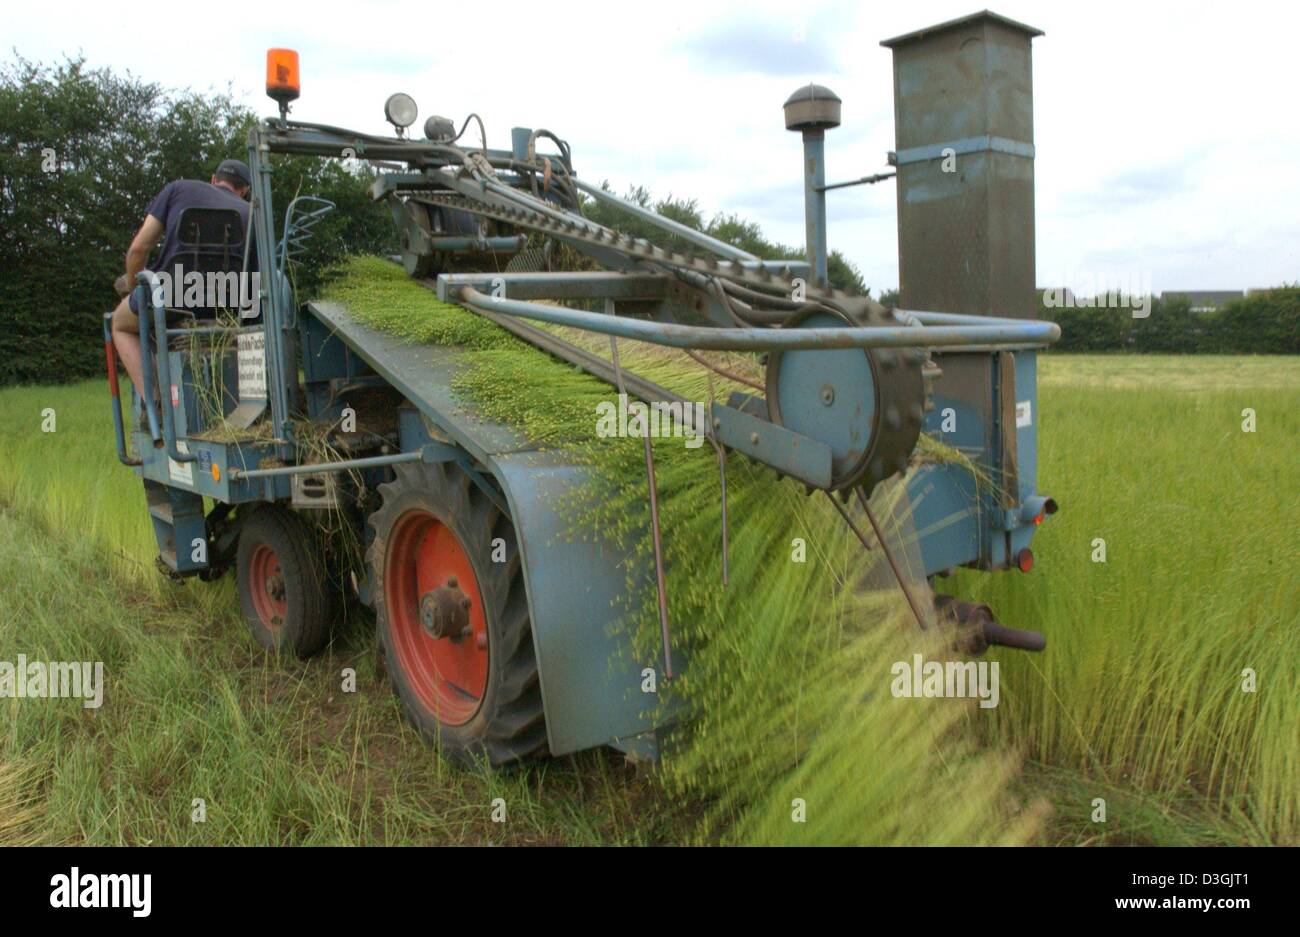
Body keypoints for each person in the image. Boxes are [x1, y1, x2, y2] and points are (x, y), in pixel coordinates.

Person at [111, 158, 254, 404]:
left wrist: (136, 291)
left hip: (172, 295)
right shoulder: (251, 212)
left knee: (120, 324)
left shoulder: (179, 189)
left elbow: (138, 249)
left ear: (213, 179)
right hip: (229, 301)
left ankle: (156, 405)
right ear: (245, 191)